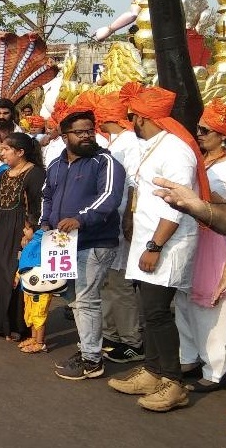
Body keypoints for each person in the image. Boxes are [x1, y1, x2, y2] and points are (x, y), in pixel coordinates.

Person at [107, 82, 207, 413]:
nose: (130, 122)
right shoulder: (155, 144)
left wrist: (155, 246)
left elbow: (176, 204)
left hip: (166, 243)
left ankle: (174, 383)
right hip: (149, 240)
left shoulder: (175, 150)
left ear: (142, 117)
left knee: (157, 312)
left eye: (133, 116)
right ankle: (153, 372)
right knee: (149, 309)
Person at [41, 110, 126, 380]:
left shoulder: (105, 162)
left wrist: (81, 219)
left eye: (90, 130)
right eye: (80, 132)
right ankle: (88, 348)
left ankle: (91, 360)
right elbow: (48, 196)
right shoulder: (55, 165)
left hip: (94, 241)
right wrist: (45, 222)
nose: (87, 135)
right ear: (65, 136)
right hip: (62, 244)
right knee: (73, 298)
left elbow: (110, 198)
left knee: (86, 300)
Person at [173, 100, 226, 392]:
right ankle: (188, 358)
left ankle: (214, 371)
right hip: (194, 236)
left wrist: (206, 199)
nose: (199, 134)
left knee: (215, 306)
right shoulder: (200, 160)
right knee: (183, 300)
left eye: (206, 130)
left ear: (224, 136)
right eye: (199, 129)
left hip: (221, 240)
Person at [0, 132, 45, 340]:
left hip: (19, 230)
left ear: (20, 152)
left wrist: (30, 231)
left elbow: (36, 206)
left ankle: (16, 324)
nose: (1, 153)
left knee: (13, 274)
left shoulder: (35, 173)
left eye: (6, 149)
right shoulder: (3, 174)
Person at [95, 93, 144, 364]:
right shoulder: (117, 142)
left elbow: (134, 184)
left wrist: (129, 219)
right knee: (107, 280)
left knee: (121, 283)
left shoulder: (129, 143)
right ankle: (111, 334)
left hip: (122, 219)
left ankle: (132, 341)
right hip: (110, 220)